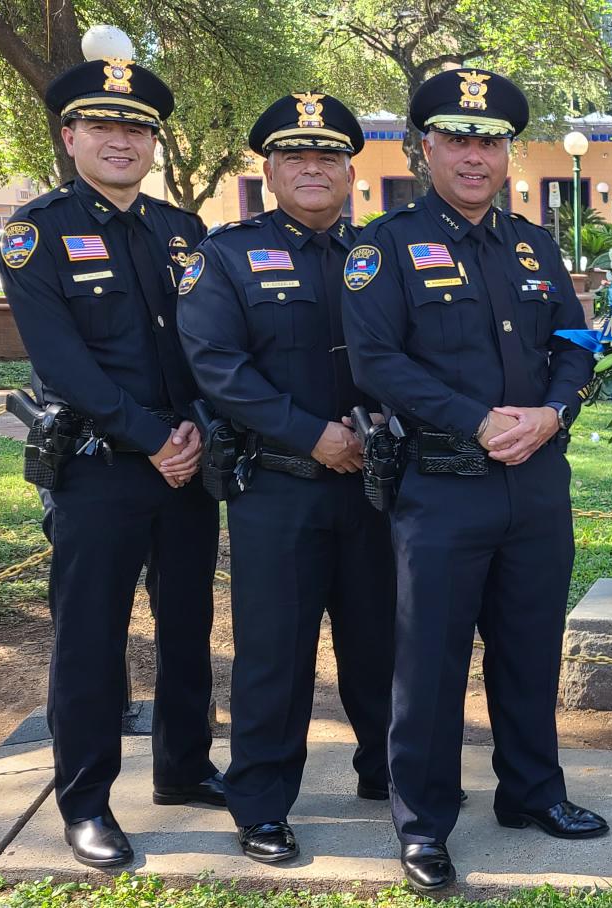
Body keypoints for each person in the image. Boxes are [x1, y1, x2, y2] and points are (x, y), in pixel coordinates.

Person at [341, 67, 602, 890]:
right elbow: (377, 359)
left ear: (508, 153)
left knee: (530, 648)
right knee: (432, 661)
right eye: (456, 138)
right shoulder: (382, 246)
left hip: (535, 483)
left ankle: (531, 792)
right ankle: (423, 823)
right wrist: (477, 418)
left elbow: (573, 343)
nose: (474, 154)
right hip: (444, 486)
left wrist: (553, 413)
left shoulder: (534, 243)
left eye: (488, 140)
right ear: (425, 148)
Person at [0, 52, 223, 869]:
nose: (120, 139)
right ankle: (85, 801)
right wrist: (152, 437)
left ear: (154, 142)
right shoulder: (38, 235)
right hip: (98, 467)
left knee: (189, 627)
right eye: (102, 124)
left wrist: (192, 428)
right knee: (91, 639)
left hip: (187, 465)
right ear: (70, 135)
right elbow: (64, 365)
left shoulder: (181, 232)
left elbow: (208, 348)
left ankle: (185, 769)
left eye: (135, 126)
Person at [176, 92, 394, 864]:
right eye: (297, 155)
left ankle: (388, 771)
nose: (314, 167)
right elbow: (219, 369)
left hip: (376, 486)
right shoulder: (225, 257)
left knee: (381, 641)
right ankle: (261, 803)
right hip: (278, 487)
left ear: (349, 171)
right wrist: (315, 436)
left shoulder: (380, 254)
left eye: (329, 155)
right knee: (275, 653)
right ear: (269, 169)